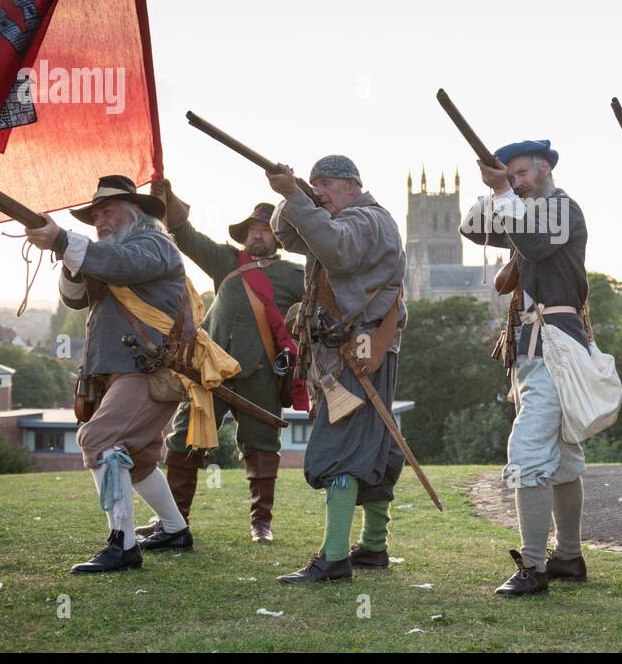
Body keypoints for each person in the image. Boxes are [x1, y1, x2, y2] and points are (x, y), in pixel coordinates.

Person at [25, 175, 193, 573]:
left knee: (99, 439)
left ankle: (123, 546)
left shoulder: (153, 244)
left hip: (146, 368)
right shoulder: (107, 253)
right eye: (96, 214)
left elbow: (123, 265)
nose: (100, 220)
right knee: (139, 458)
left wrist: (64, 241)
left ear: (134, 212)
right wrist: (63, 252)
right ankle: (174, 529)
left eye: (108, 211)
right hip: (120, 369)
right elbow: (75, 298)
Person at [136, 183, 304, 545]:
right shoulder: (226, 261)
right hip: (208, 373)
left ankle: (261, 524)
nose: (258, 236)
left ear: (278, 239)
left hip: (260, 375)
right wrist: (165, 195)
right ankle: (174, 519)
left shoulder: (294, 275)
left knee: (261, 447)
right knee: (182, 443)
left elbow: (323, 298)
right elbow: (185, 235)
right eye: (253, 230)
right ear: (245, 236)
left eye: (266, 231)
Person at [266, 156, 407, 583]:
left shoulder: (366, 220)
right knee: (374, 444)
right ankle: (374, 547)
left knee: (342, 448)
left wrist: (296, 194)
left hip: (359, 350)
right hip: (345, 351)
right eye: (315, 185)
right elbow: (288, 234)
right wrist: (297, 195)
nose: (319, 191)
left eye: (325, 183)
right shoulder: (336, 220)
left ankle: (333, 560)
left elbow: (337, 252)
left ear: (352, 184)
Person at [460, 139, 590, 597]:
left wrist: (503, 193)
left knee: (530, 452)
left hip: (555, 343)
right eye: (510, 174)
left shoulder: (560, 209)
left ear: (545, 170)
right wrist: (495, 189)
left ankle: (534, 566)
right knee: (563, 456)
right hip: (536, 345)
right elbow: (470, 229)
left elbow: (532, 246)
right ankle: (568, 557)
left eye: (521, 173)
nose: (516, 180)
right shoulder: (524, 209)